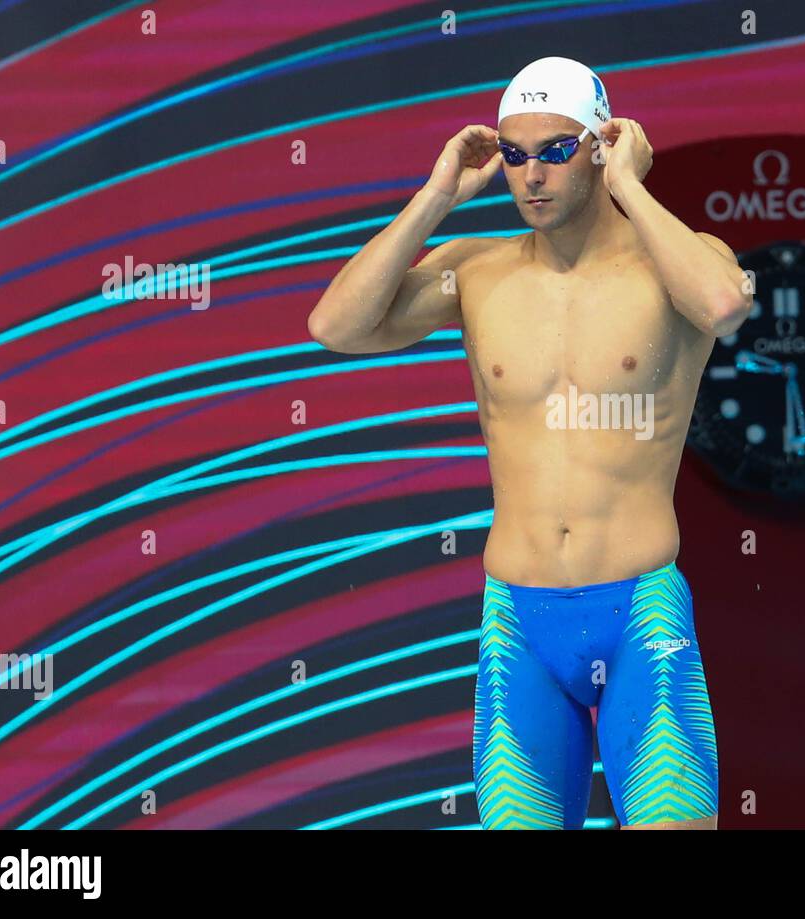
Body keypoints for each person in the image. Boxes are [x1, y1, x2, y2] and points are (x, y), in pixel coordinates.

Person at [307, 56, 750, 829]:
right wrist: (436, 197)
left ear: (600, 146)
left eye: (555, 150)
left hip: (639, 612)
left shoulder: (672, 267)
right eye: (514, 155)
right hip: (517, 621)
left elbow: (723, 305)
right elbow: (334, 326)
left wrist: (632, 189)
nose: (531, 175)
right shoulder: (476, 274)